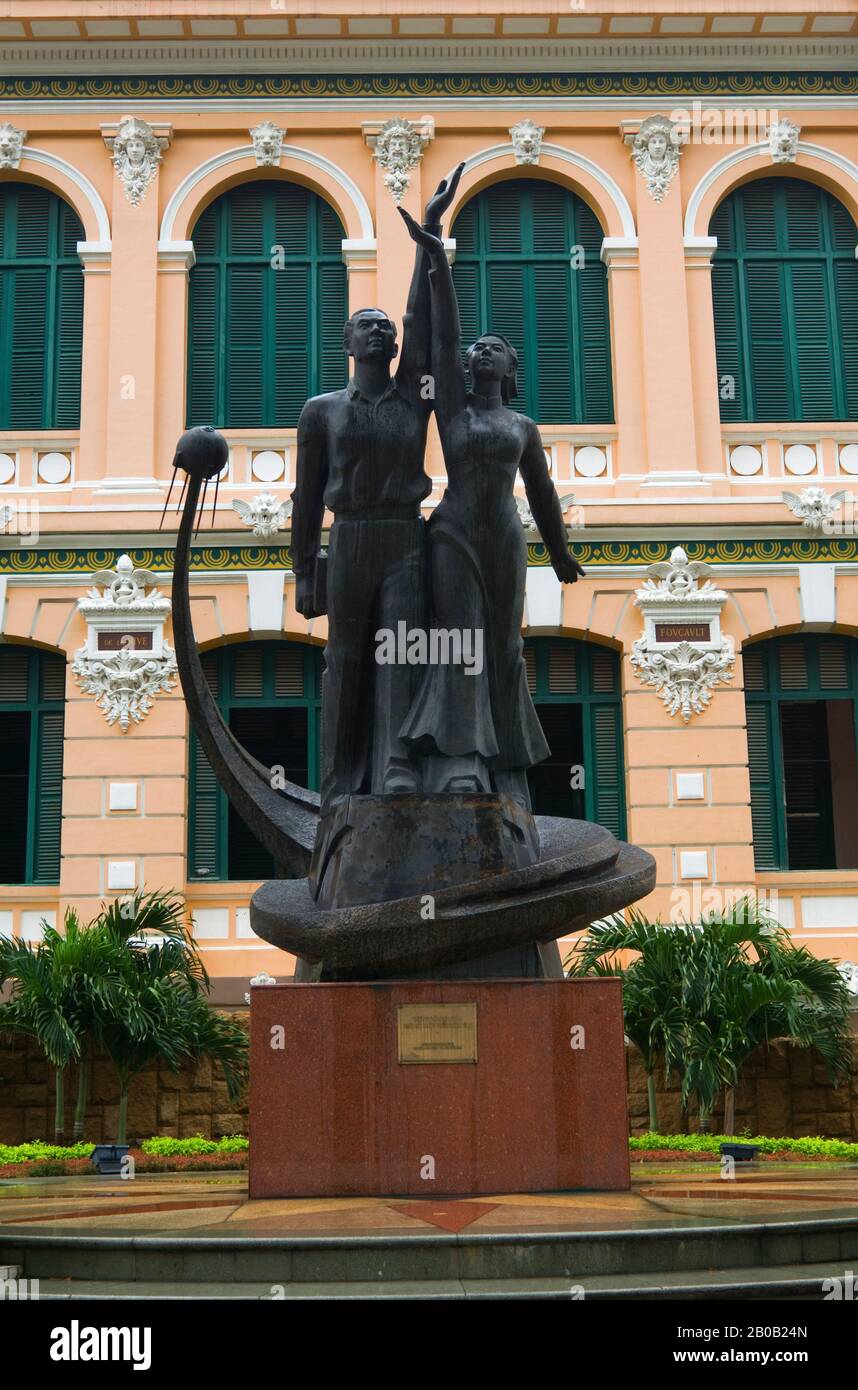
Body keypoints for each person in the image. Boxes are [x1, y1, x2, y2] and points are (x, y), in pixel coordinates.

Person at [398, 205, 585, 810]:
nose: (479, 352)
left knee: (504, 645)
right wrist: (436, 255)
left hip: (504, 537)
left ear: (510, 368)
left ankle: (505, 762)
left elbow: (542, 493)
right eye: (476, 349)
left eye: (493, 349)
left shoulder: (522, 425)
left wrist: (560, 555)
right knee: (459, 641)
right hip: (452, 533)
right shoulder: (452, 408)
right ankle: (460, 761)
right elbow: (444, 334)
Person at [290, 167, 464, 813]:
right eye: (367, 326)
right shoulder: (323, 411)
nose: (380, 332)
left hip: (402, 534)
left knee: (400, 654)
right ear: (347, 342)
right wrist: (304, 569)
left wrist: (431, 235)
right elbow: (306, 500)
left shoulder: (413, 397)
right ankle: (339, 780)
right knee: (346, 659)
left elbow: (427, 323)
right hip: (351, 533)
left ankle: (396, 766)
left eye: (385, 328)